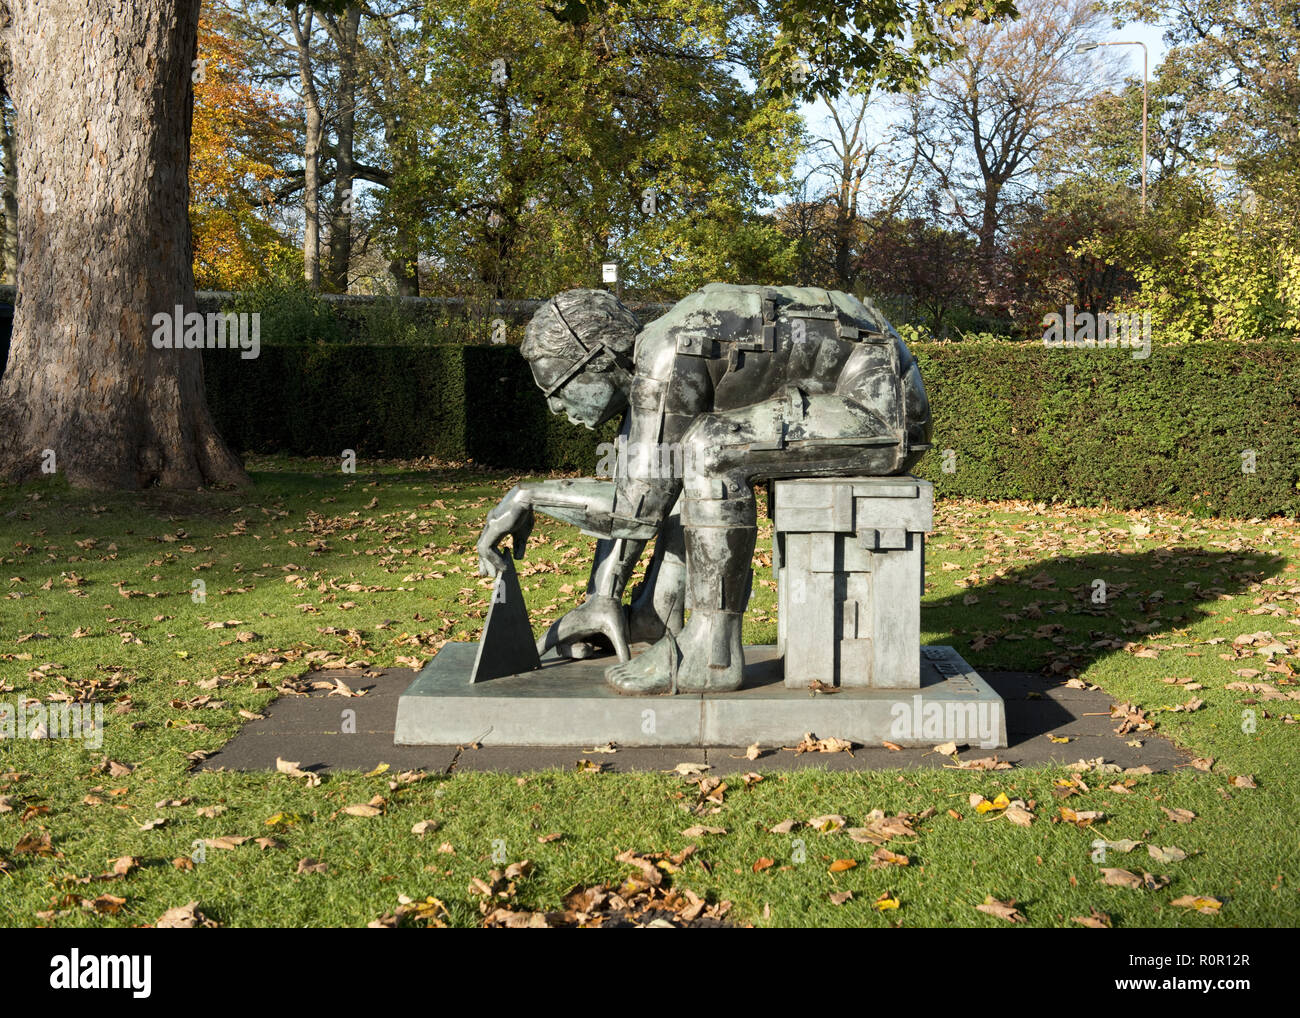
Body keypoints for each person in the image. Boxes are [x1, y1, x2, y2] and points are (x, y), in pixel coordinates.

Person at [476, 282, 931, 694]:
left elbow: (636, 509)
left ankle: (712, 654)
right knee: (684, 455)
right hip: (852, 400)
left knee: (708, 449)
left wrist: (527, 497)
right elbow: (645, 486)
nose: (557, 407)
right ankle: (657, 618)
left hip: (882, 414)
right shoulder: (657, 358)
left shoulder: (666, 357)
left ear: (597, 361)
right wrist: (603, 596)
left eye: (558, 387)